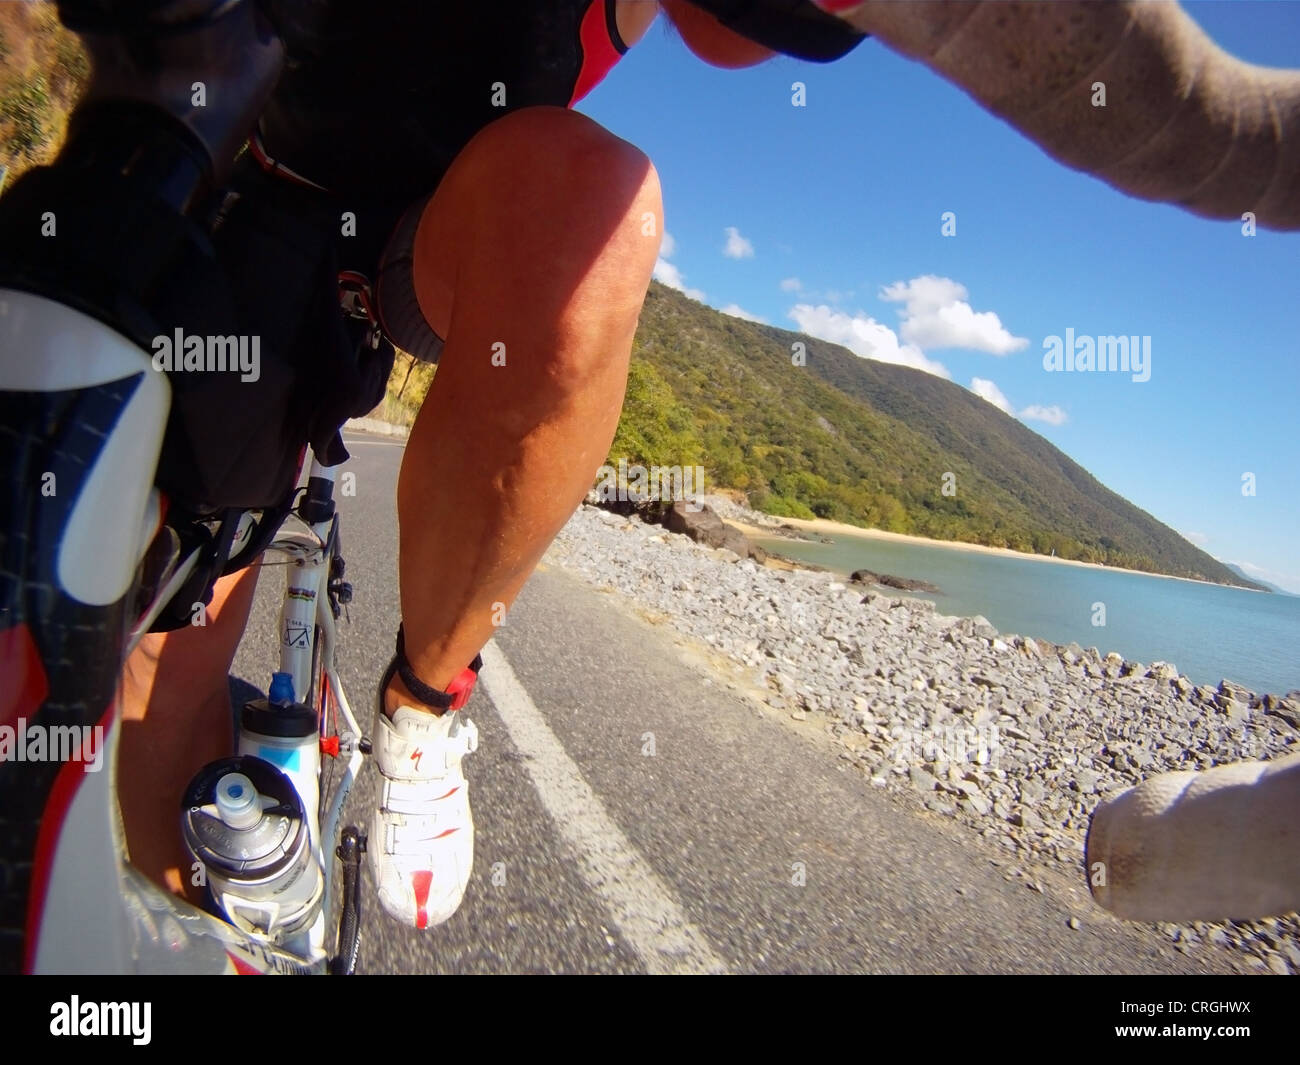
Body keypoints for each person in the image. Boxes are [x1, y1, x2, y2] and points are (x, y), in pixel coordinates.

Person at [112, 0, 1299, 936]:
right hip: (240, 202)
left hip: (449, 232)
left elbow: (732, 38)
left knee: (596, 202)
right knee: (156, 734)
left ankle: (423, 709)